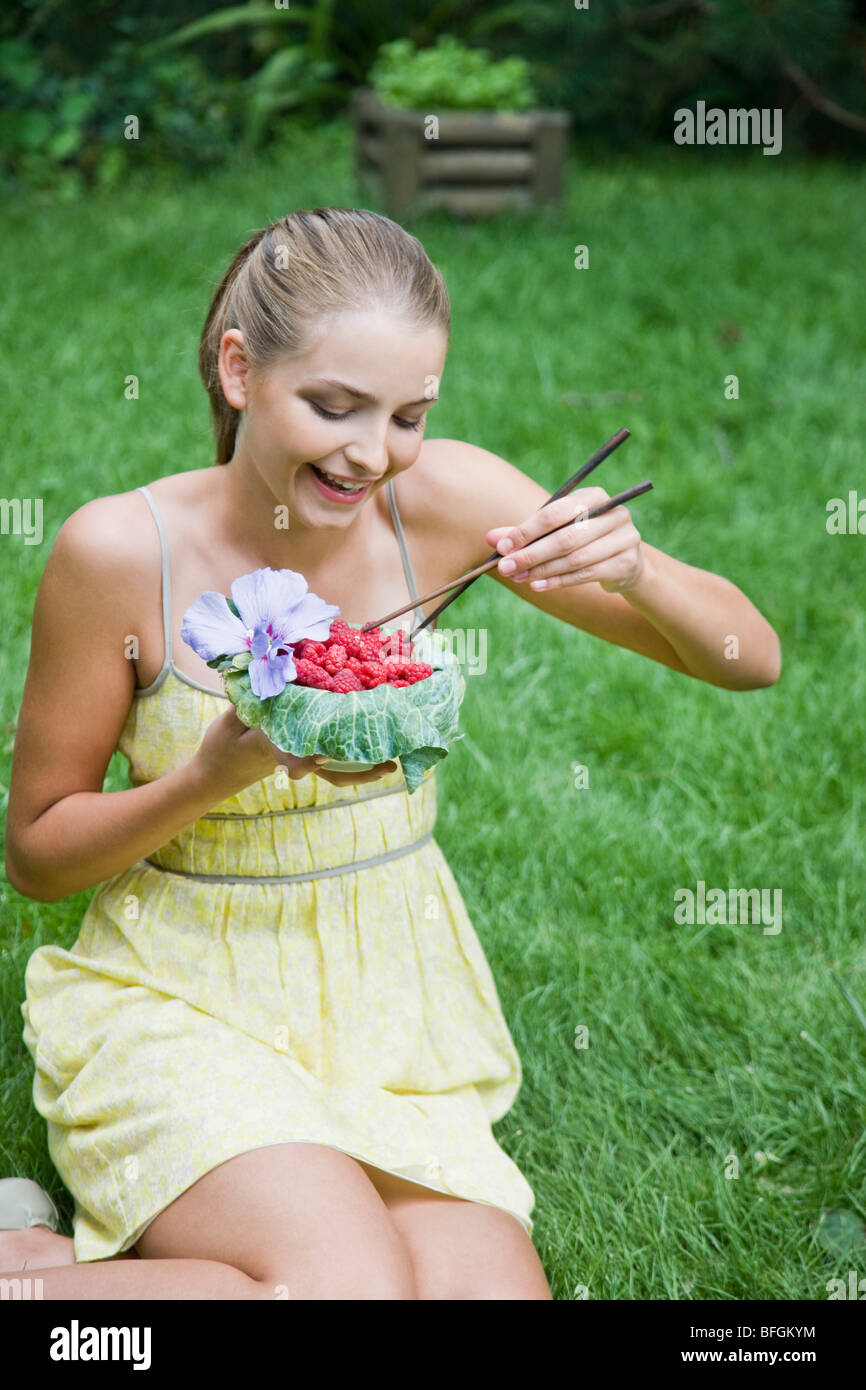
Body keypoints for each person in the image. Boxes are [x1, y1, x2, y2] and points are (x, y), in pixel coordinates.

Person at [2, 207, 780, 1301]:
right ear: (238, 370)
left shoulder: (442, 502)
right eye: (334, 406)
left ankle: (36, 1254)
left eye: (409, 414)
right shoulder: (120, 552)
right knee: (340, 1288)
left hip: (389, 991)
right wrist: (203, 779)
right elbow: (34, 854)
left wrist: (631, 566)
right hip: (181, 985)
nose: (372, 453)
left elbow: (750, 658)